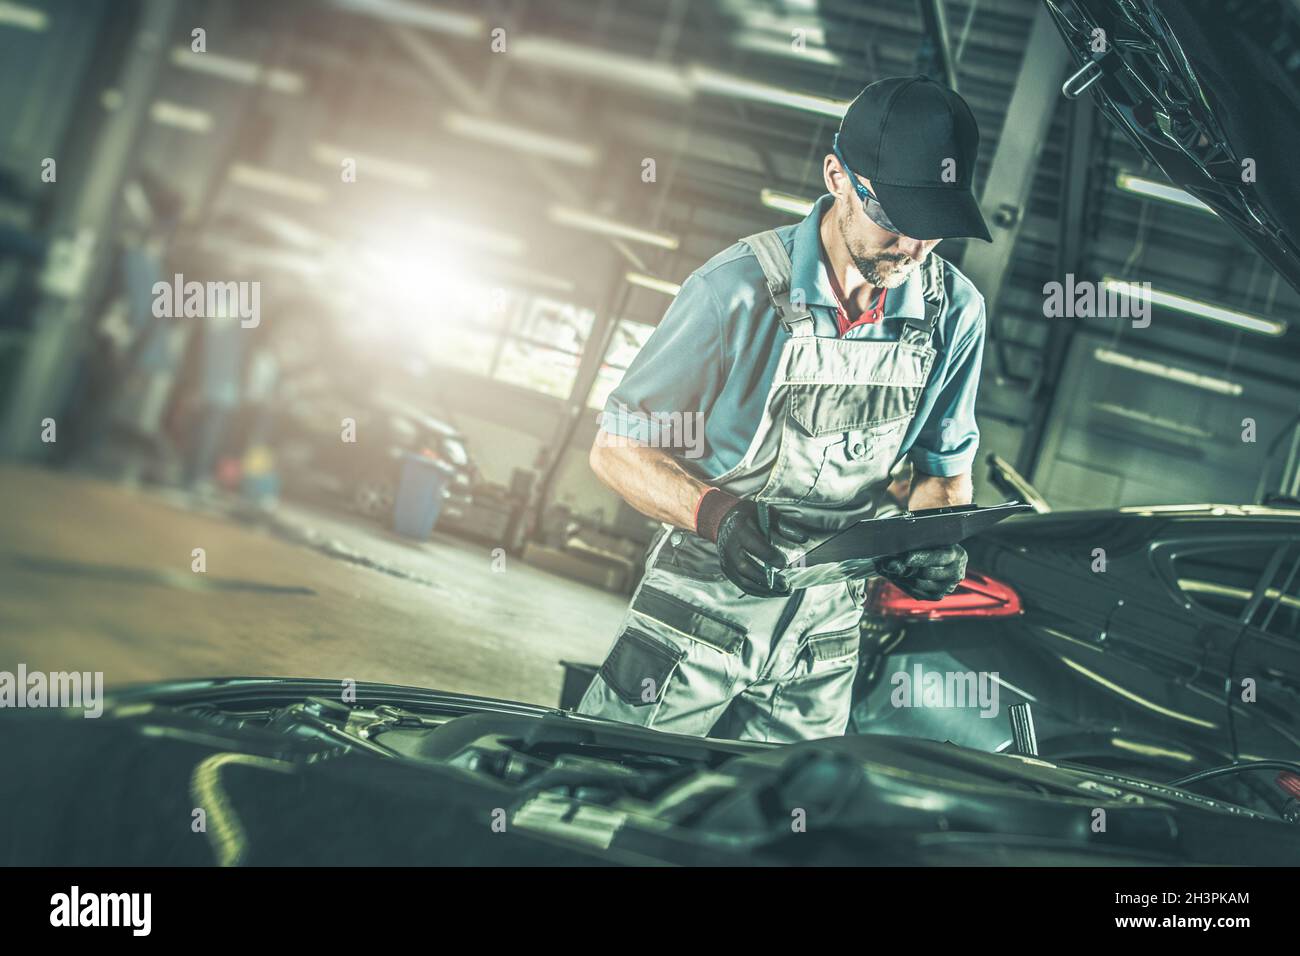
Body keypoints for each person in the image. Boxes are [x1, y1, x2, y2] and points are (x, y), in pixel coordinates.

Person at [578, 76, 993, 742]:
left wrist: (935, 535)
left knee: (779, 826)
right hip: (704, 602)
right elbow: (618, 447)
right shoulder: (735, 290)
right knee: (606, 782)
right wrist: (715, 514)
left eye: (934, 231)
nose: (914, 249)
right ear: (837, 175)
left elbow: (941, 472)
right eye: (895, 218)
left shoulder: (956, 314)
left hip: (824, 635)